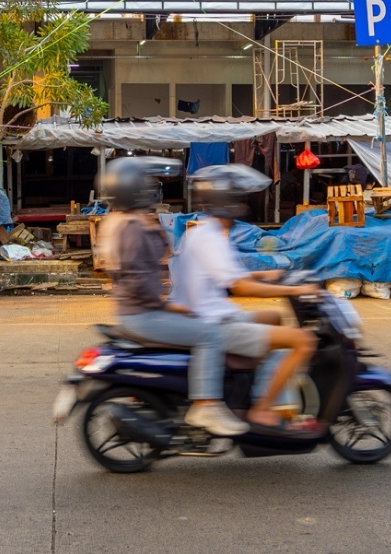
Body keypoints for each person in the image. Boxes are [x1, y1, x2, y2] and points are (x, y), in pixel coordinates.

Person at [100, 156, 248, 438]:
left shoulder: (121, 222)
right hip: (142, 314)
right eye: (145, 183)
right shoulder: (131, 227)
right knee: (211, 335)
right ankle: (206, 404)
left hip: (136, 311)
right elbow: (139, 282)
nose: (152, 188)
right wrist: (167, 307)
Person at [172, 164, 319, 432]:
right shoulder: (211, 238)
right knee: (304, 341)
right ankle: (263, 408)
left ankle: (258, 386)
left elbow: (229, 273)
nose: (243, 203)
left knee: (273, 318)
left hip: (210, 314)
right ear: (227, 201)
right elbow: (241, 288)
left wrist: (270, 274)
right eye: (238, 197)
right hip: (215, 323)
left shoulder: (205, 231)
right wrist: (295, 290)